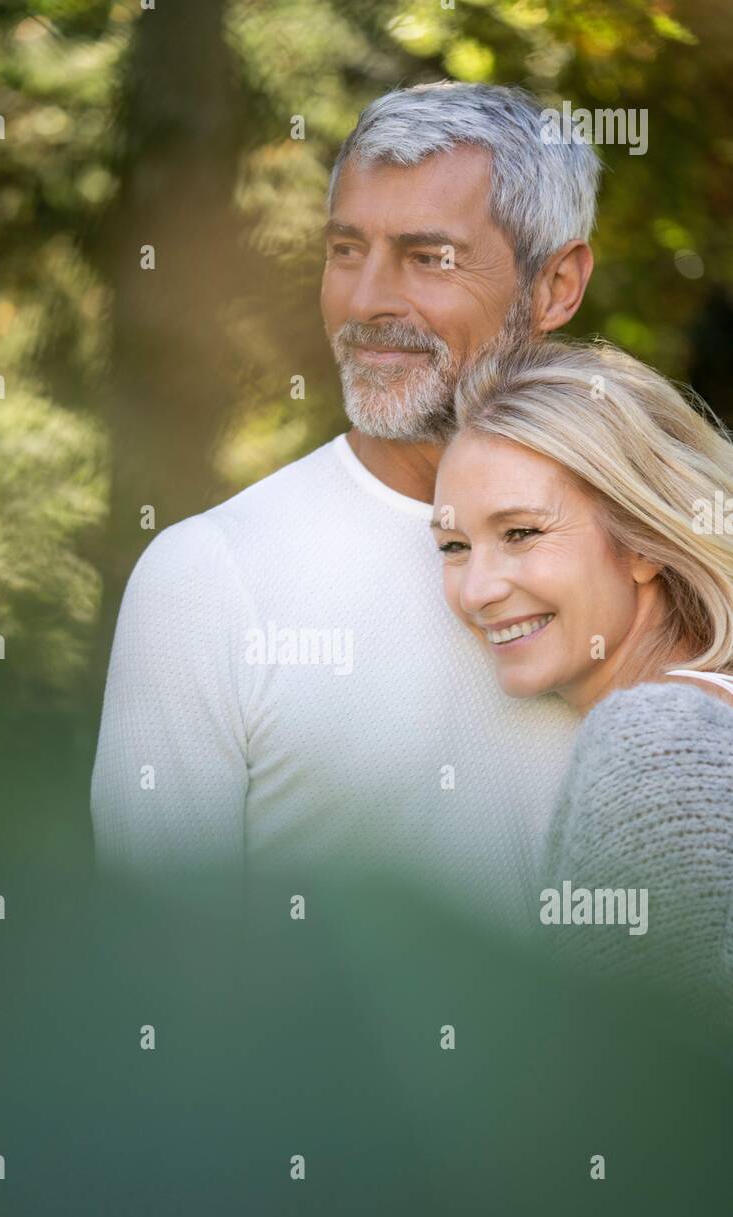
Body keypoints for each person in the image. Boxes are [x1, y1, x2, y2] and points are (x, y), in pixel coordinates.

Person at [91, 81, 599, 919]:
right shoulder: (205, 579)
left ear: (556, 285)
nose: (365, 303)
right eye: (346, 250)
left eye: (428, 257)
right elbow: (156, 971)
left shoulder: (656, 555)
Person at [432, 337, 733, 1024]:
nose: (476, 590)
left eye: (522, 533)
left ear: (642, 544)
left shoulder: (658, 743)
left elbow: (612, 1098)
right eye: (453, 546)